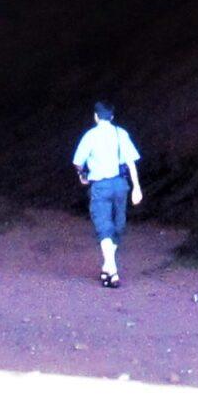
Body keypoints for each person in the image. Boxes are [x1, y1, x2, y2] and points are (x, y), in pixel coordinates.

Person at [71, 101, 142, 288]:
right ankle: (110, 271)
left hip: (100, 185)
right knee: (118, 225)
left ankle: (109, 267)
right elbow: (131, 162)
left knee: (104, 226)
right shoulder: (121, 134)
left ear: (95, 117)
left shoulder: (90, 136)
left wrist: (82, 175)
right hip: (120, 184)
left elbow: (78, 161)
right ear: (112, 116)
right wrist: (137, 187)